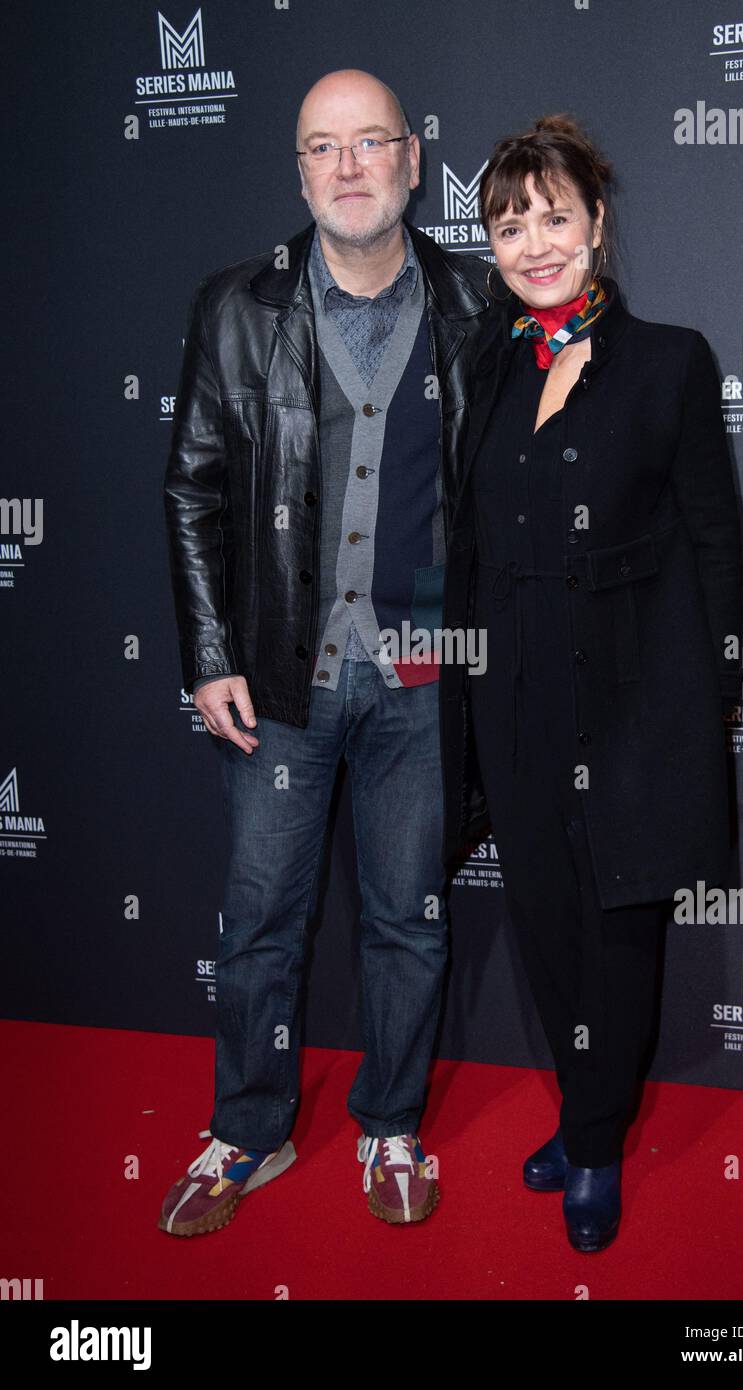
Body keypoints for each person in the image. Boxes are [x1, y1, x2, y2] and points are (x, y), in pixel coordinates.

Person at [160, 69, 492, 1235]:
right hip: (280, 679)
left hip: (421, 683)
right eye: (322, 148)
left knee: (407, 918)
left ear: (411, 159)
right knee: (259, 921)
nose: (347, 168)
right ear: (299, 172)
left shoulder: (477, 304)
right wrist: (209, 652)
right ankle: (246, 1130)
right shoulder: (236, 307)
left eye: (370, 144)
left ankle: (390, 1122)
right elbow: (193, 484)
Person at [439, 114, 743, 1253]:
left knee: (619, 924)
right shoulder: (481, 361)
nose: (533, 244)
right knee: (544, 918)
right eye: (509, 225)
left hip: (635, 688)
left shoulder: (669, 361)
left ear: (596, 225)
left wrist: (713, 695)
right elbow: (457, 538)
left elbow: (713, 539)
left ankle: (598, 1146)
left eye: (553, 217)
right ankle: (577, 1111)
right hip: (511, 685)